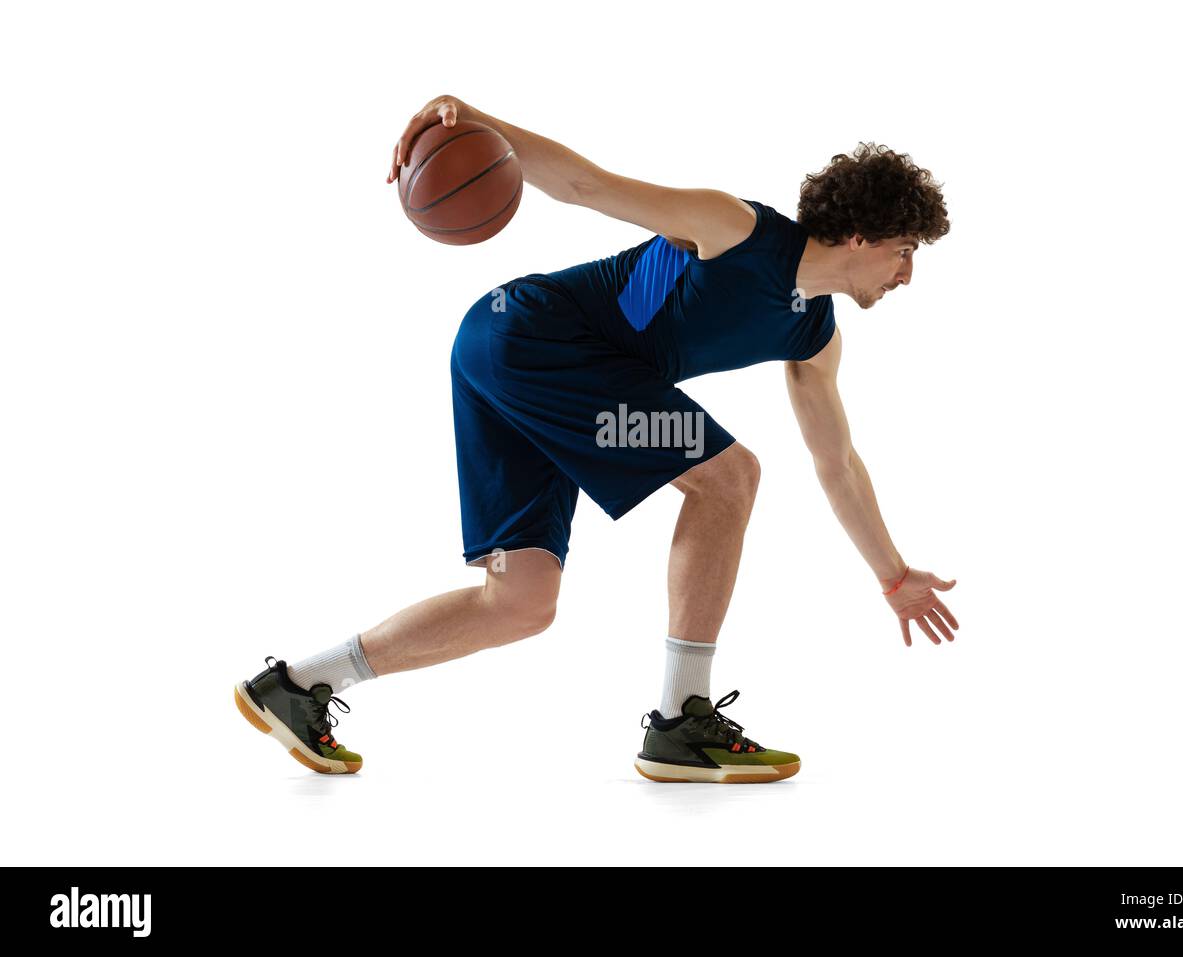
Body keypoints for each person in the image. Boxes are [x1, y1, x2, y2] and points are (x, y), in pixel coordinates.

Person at [233, 95, 959, 783]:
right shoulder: (734, 227)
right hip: (528, 334)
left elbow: (837, 462)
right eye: (904, 251)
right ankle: (681, 720)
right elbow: (584, 184)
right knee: (730, 474)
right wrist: (477, 118)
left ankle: (298, 685)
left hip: (518, 362)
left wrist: (892, 575)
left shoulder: (812, 337)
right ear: (862, 236)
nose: (908, 272)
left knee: (520, 602)